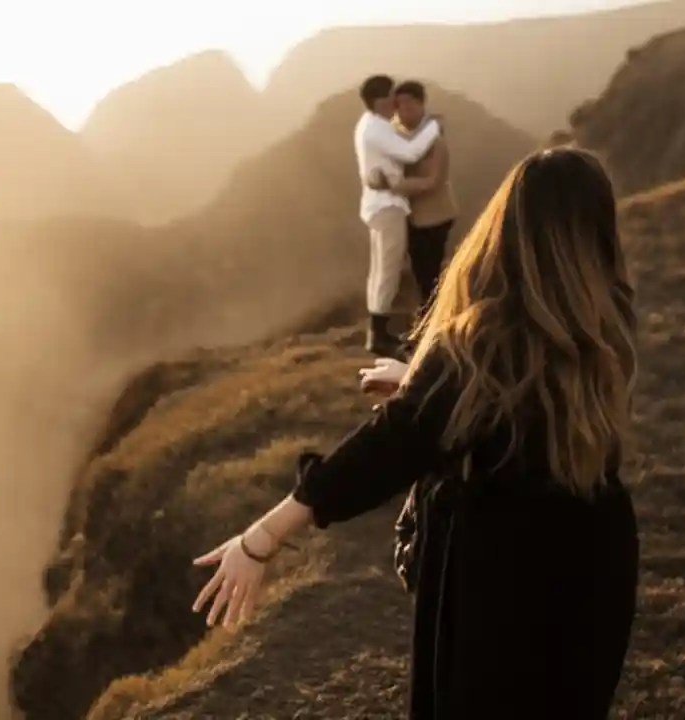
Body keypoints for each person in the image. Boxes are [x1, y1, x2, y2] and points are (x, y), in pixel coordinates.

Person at [192, 147, 641, 719]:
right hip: (593, 566)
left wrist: (260, 539)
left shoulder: (476, 343)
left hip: (501, 578)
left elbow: (386, 451)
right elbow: (529, 413)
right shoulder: (609, 322)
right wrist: (423, 385)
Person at [351, 74, 443, 359]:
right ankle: (378, 336)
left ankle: (379, 330)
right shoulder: (376, 129)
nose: (395, 100)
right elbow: (410, 153)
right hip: (387, 205)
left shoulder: (370, 125)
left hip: (378, 205)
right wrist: (433, 127)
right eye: (391, 95)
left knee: (380, 268)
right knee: (388, 268)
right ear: (379, 100)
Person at [368, 80, 458, 324]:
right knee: (419, 274)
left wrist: (395, 185)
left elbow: (433, 182)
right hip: (409, 217)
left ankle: (434, 324)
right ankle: (430, 321)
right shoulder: (396, 134)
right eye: (399, 106)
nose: (403, 111)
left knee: (428, 274)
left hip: (435, 217)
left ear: (421, 105)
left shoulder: (435, 141)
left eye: (409, 105)